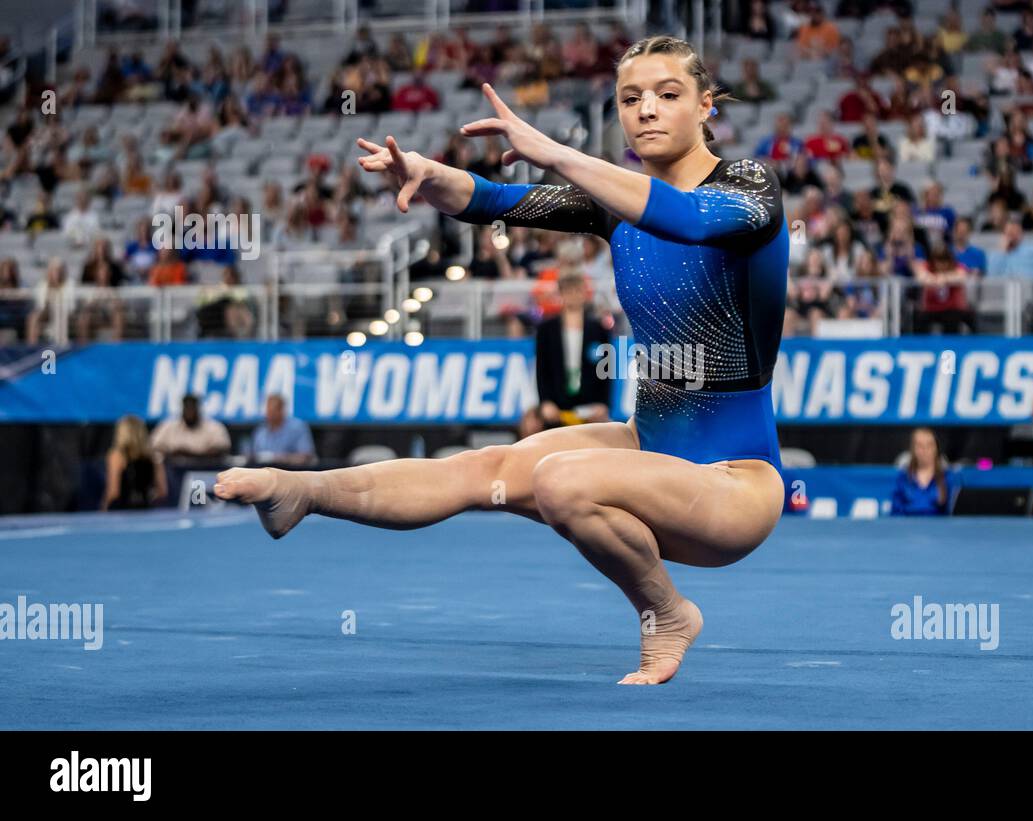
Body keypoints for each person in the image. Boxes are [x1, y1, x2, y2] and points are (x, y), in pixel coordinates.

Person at [214, 35, 789, 686]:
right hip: (648, 450)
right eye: (630, 98)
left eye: (667, 94)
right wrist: (434, 180)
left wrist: (555, 152)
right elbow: (496, 200)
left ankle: (666, 612)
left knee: (561, 479)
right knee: (482, 469)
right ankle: (305, 492)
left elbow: (690, 220)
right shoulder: (613, 204)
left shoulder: (749, 186)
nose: (646, 110)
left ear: (705, 105)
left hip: (734, 482)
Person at [522, 271, 613, 438]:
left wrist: (603, 403)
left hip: (589, 402)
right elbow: (542, 369)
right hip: (557, 402)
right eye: (568, 291)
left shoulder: (599, 329)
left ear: (585, 294)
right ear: (561, 293)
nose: (573, 295)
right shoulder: (546, 329)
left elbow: (606, 369)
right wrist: (545, 402)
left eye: (577, 290)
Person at [101, 414, 167, 510]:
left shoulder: (117, 456)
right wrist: (146, 501)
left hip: (121, 513)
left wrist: (103, 509)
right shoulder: (153, 457)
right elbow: (162, 492)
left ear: (121, 433)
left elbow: (113, 492)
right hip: (145, 511)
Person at [151, 393, 232, 459]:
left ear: (198, 409)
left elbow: (222, 448)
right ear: (182, 409)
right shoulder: (168, 426)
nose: (189, 413)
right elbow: (154, 447)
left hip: (206, 469)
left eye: (192, 409)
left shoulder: (214, 427)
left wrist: (192, 455)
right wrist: (172, 454)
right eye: (187, 409)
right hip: (173, 470)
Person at [890, 428, 950, 516]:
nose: (925, 450)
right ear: (913, 449)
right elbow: (895, 512)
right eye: (920, 445)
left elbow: (952, 512)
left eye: (929, 445)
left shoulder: (947, 477)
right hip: (908, 527)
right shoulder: (903, 478)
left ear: (936, 448)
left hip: (938, 528)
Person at [247, 394, 316, 466]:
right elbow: (253, 456)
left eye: (273, 411)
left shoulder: (297, 427)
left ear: (282, 410)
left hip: (290, 472)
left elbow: (306, 456)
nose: (270, 414)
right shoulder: (260, 431)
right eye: (268, 411)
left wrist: (279, 458)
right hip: (264, 472)